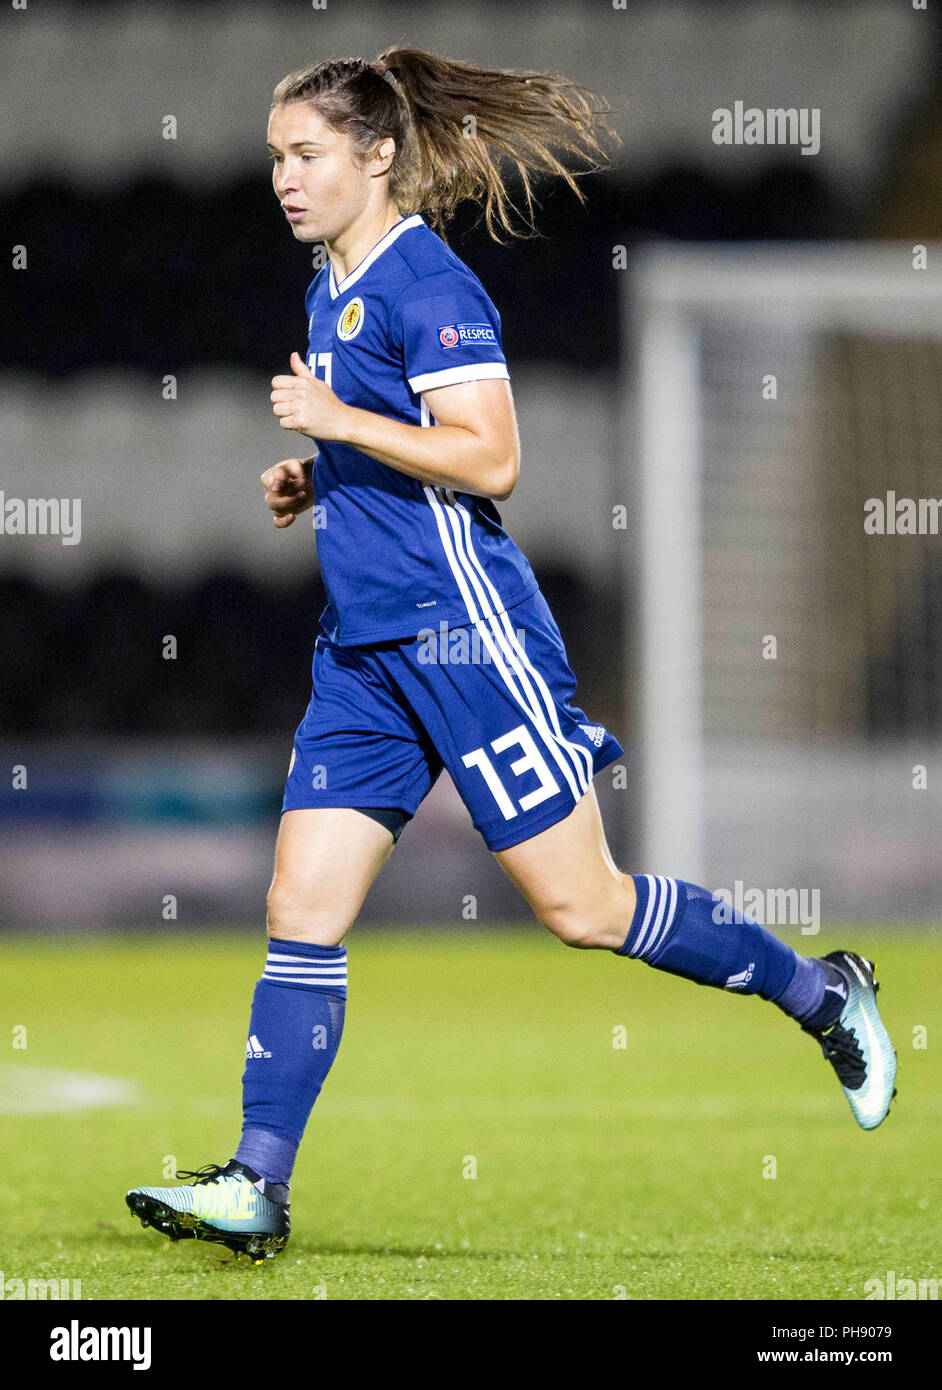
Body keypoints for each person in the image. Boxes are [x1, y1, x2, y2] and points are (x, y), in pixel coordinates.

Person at [126, 48, 897, 1262]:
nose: (283, 177)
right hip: (365, 656)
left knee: (584, 908)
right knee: (300, 909)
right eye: (278, 155)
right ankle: (256, 1182)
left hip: (466, 638)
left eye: (306, 154)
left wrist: (336, 424)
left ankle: (822, 992)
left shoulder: (430, 283)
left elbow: (489, 459)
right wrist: (321, 473)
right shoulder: (333, 278)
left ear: (376, 156)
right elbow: (402, 448)